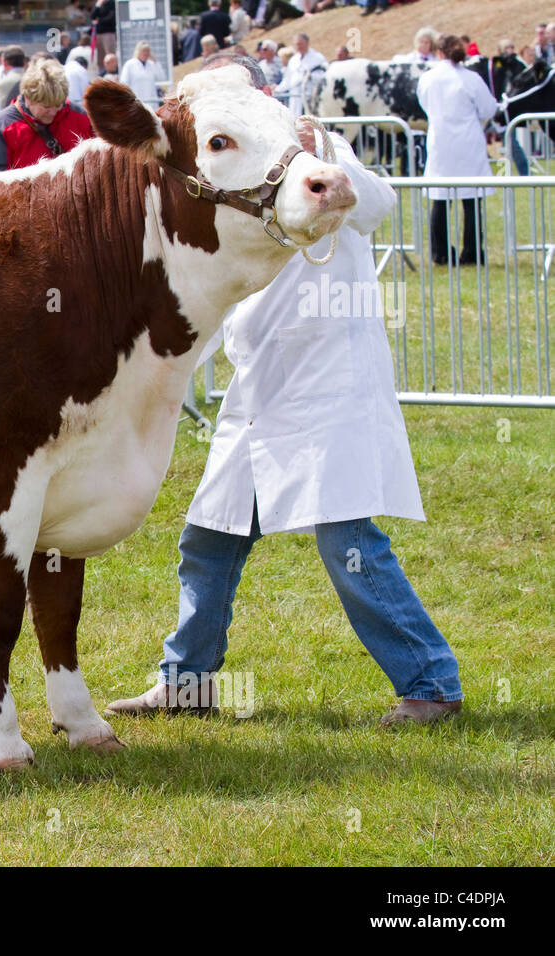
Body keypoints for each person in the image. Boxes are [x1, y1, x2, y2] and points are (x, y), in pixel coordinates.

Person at [108, 53, 463, 728]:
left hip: (330, 374)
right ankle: (187, 682)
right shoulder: (222, 167)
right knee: (208, 538)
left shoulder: (318, 146)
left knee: (346, 537)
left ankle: (430, 682)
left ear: (260, 93)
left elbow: (379, 203)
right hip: (259, 380)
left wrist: (323, 158)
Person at [417, 34, 497, 266]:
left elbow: (423, 104)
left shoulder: (428, 78)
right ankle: (471, 251)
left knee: (440, 198)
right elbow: (488, 108)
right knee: (471, 199)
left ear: (439, 52)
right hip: (468, 142)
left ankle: (440, 252)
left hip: (440, 142)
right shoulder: (471, 78)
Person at [0, 55, 94, 175]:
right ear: (28, 98)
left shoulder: (81, 116)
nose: (53, 112)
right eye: (46, 106)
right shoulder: (2, 125)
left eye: (58, 105)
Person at [278, 32, 327, 115]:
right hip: (295, 100)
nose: (298, 47)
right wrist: (277, 89)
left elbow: (324, 77)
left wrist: (311, 77)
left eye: (300, 44)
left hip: (311, 98)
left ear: (307, 43)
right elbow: (288, 80)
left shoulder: (318, 58)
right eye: (296, 44)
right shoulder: (293, 60)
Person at [119, 41, 164, 106]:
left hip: (151, 102)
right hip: (136, 102)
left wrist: (155, 62)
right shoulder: (129, 65)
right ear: (138, 52)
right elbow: (123, 83)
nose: (146, 53)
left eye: (147, 51)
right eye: (144, 51)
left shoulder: (151, 64)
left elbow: (161, 77)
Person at [91, 0, 118, 74]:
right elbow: (93, 16)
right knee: (100, 58)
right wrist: (97, 5)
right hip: (98, 33)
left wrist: (98, 21)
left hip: (108, 33)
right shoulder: (99, 3)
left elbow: (111, 18)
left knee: (110, 56)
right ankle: (102, 73)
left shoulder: (112, 3)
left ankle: (112, 73)